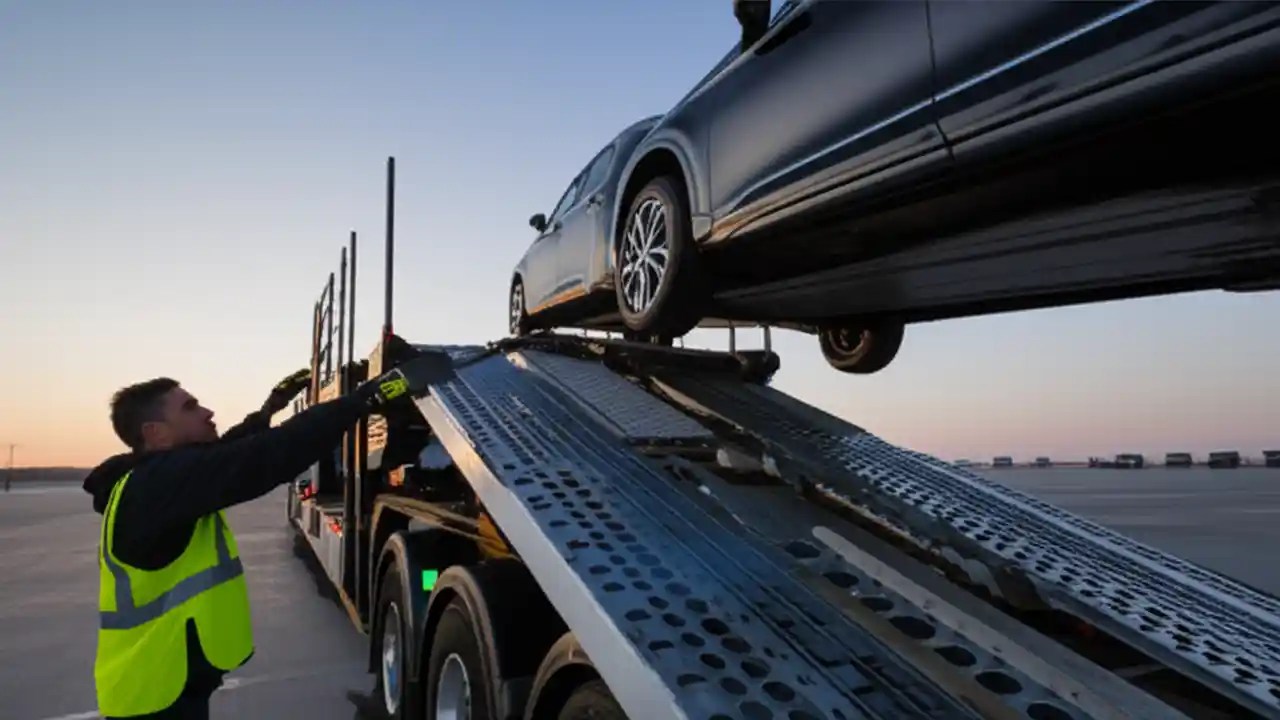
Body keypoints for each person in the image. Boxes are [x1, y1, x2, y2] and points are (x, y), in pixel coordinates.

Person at [81, 348, 451, 719]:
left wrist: (267, 410)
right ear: (156, 434)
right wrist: (364, 399)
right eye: (190, 408)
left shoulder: (148, 480)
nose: (208, 412)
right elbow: (265, 456)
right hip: (154, 695)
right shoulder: (158, 487)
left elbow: (231, 449)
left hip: (159, 682)